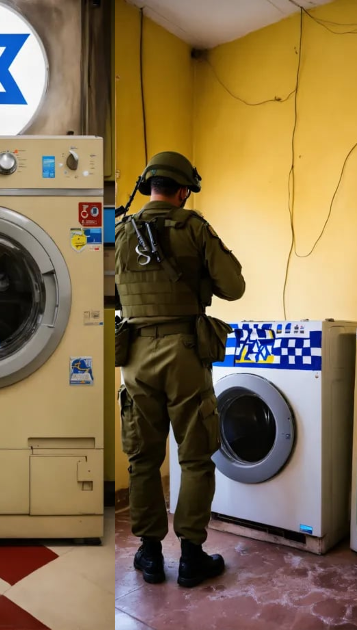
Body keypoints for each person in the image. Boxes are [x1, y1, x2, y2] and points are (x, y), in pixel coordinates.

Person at [114, 151, 245, 588]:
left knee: (142, 459)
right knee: (194, 458)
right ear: (183, 191)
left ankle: (149, 557)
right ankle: (191, 557)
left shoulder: (118, 232)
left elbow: (105, 293)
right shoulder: (194, 227)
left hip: (133, 356)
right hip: (184, 353)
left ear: (148, 185)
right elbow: (234, 286)